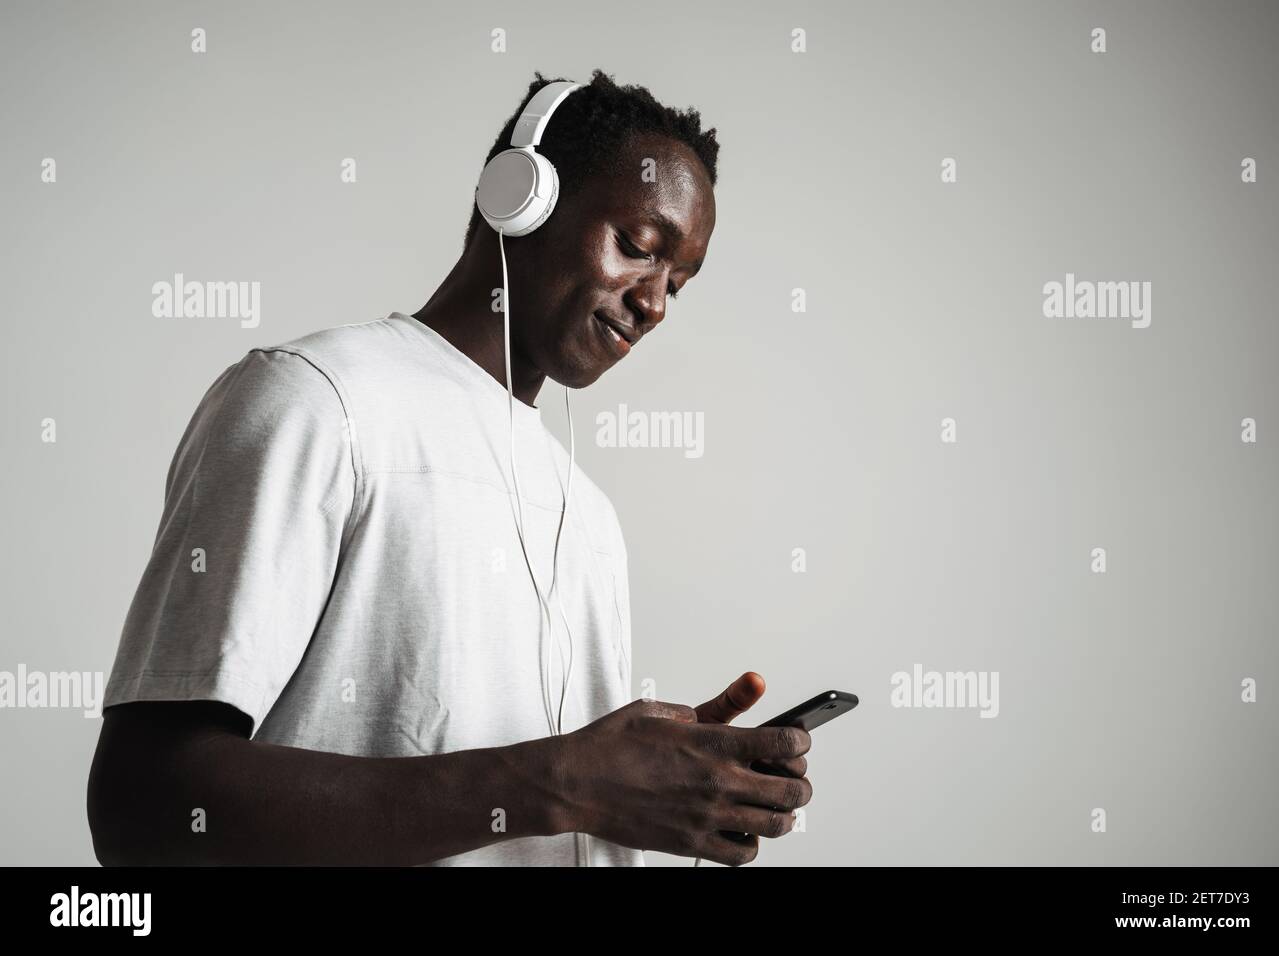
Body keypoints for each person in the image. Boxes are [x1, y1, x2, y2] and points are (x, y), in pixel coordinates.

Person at [87, 69, 812, 867]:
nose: (656, 303)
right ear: (520, 197)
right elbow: (143, 807)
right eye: (638, 249)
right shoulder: (317, 399)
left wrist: (657, 785)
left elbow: (560, 798)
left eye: (677, 284)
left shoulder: (590, 516)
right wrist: (566, 782)